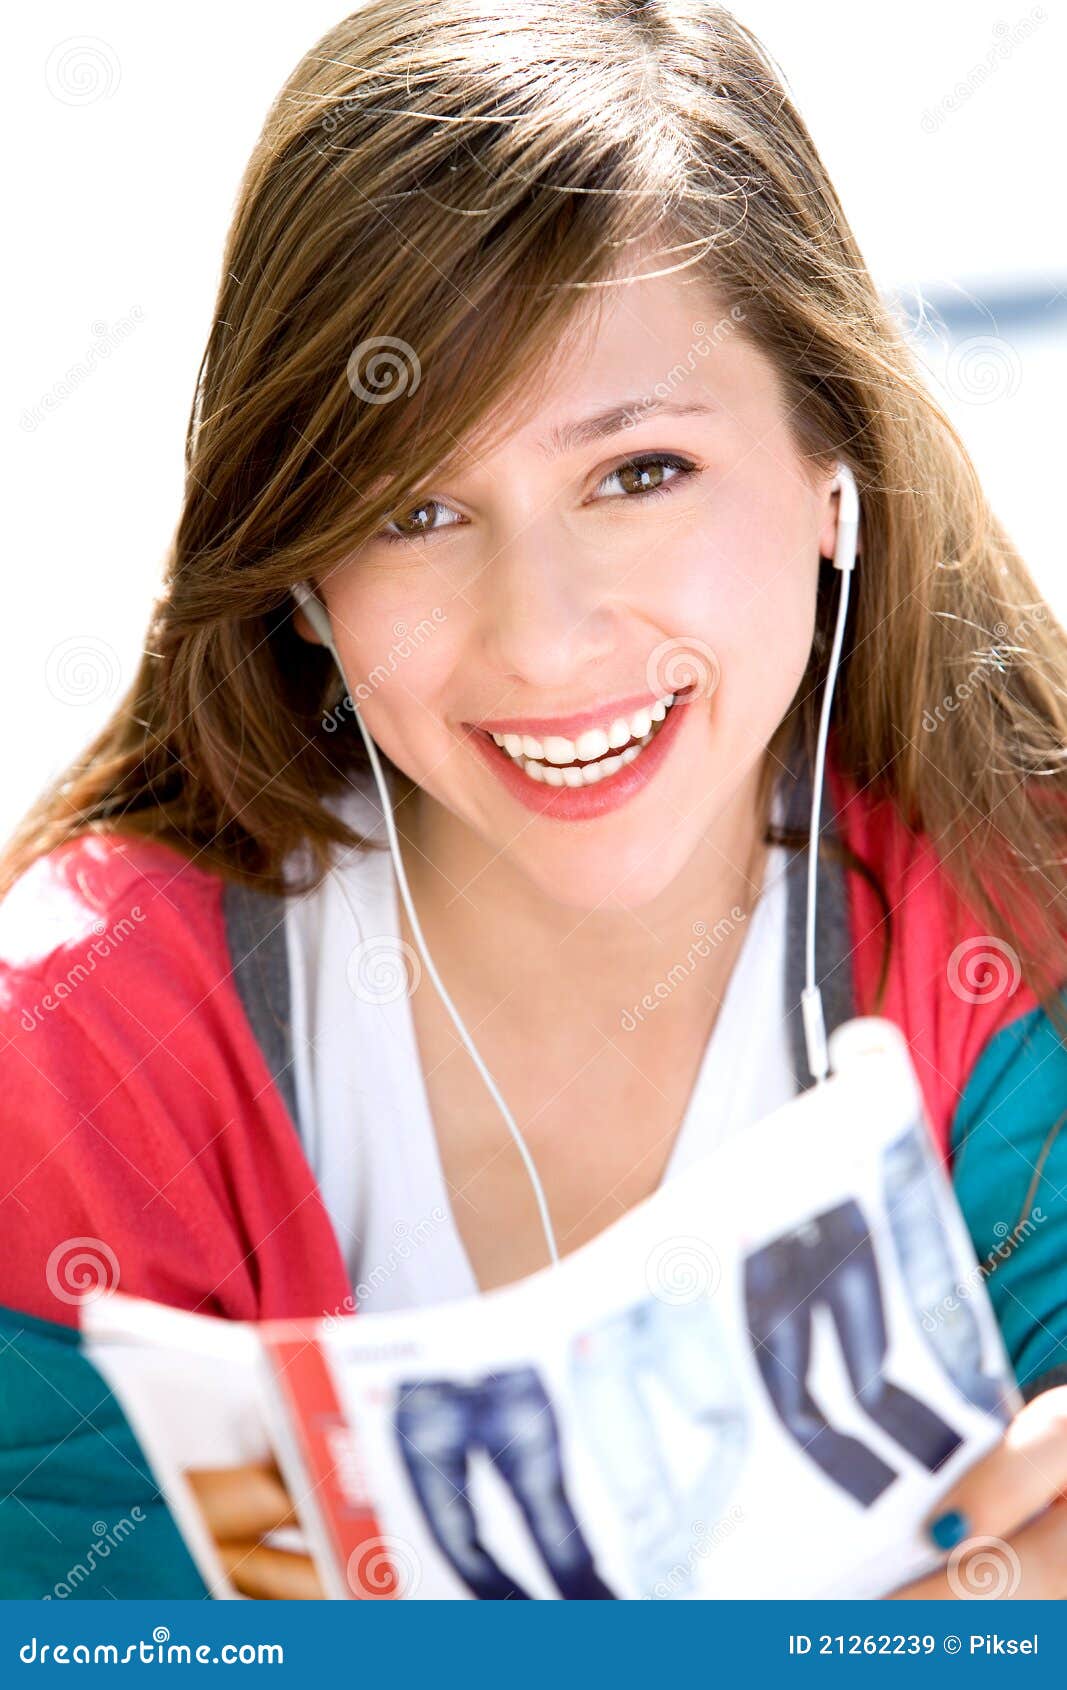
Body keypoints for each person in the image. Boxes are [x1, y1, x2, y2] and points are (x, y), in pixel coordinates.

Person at [2, 0, 1066, 1601]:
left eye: (640, 471)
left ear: (833, 468)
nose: (545, 633)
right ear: (299, 575)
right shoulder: (84, 1054)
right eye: (417, 507)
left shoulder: (1020, 938)